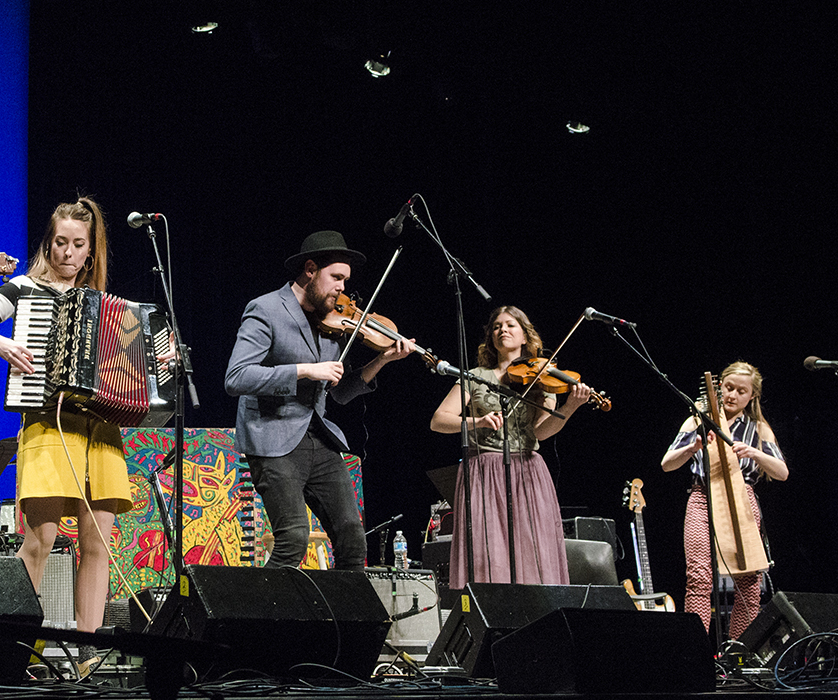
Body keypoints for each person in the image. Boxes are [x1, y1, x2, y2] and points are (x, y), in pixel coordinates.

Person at [0, 195, 133, 677]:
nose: (68, 253)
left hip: (100, 429)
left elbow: (133, 362)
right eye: (60, 243)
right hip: (46, 425)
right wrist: (2, 342)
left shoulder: (106, 306)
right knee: (40, 541)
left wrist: (157, 359)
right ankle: (14, 649)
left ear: (91, 250)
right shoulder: (22, 288)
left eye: (78, 245)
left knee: (97, 544)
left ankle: (86, 656)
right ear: (48, 243)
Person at [224, 230, 411, 571]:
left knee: (353, 539)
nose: (343, 289)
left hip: (318, 438)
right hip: (272, 438)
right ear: (310, 269)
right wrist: (304, 370)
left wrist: (382, 360)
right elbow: (237, 378)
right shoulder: (265, 309)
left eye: (346, 280)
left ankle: (344, 623)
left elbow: (340, 390)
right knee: (293, 538)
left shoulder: (335, 320)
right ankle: (259, 622)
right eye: (336, 278)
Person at [429, 306, 591, 588]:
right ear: (490, 338)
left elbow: (542, 430)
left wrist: (572, 406)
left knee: (533, 548)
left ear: (525, 336)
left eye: (510, 325)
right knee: (487, 551)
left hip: (528, 469)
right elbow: (439, 420)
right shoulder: (476, 375)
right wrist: (476, 421)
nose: (502, 330)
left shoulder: (543, 377)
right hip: (484, 469)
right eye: (496, 327)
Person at [661, 360, 787, 641]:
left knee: (749, 581)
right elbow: (667, 464)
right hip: (702, 499)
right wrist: (693, 446)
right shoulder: (697, 419)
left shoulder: (758, 428)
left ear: (752, 396)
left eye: (741, 391)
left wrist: (754, 453)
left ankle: (737, 653)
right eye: (729, 388)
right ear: (719, 389)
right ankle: (695, 650)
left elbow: (781, 472)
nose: (733, 395)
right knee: (699, 578)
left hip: (742, 500)